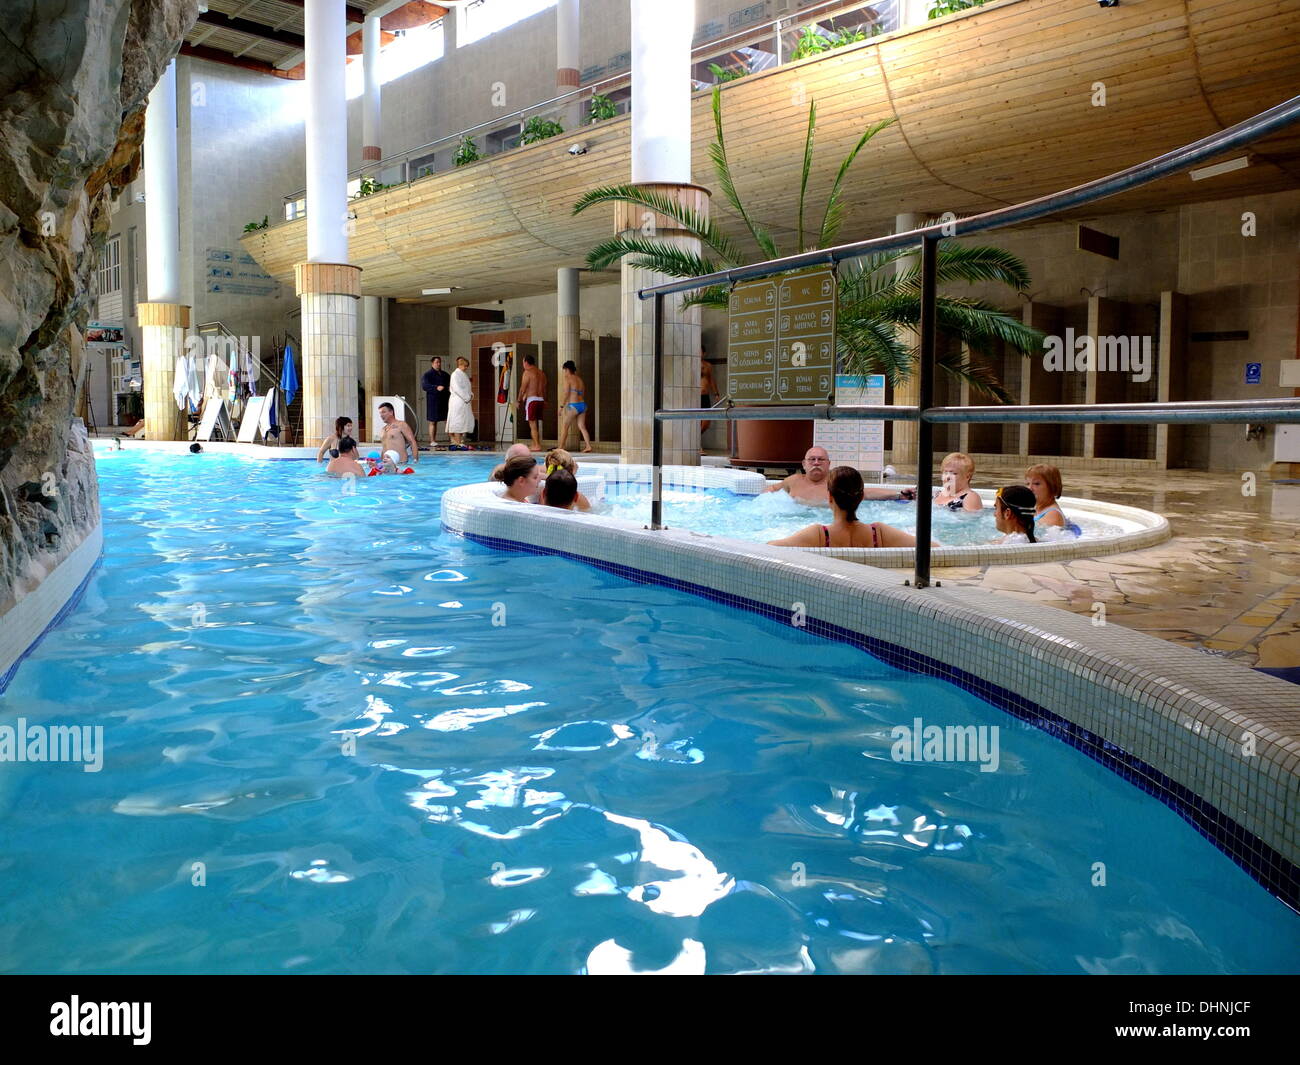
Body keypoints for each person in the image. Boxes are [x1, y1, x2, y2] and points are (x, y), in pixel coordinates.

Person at [768, 466, 932, 548]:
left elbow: (769, 548)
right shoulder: (879, 533)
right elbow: (934, 548)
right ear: (861, 497)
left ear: (830, 498)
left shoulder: (818, 534)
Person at [765, 446, 914, 505]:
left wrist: (898, 494)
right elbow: (771, 489)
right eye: (812, 459)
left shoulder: (837, 481)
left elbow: (866, 493)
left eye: (821, 459)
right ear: (804, 464)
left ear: (829, 464)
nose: (816, 463)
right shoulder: (793, 481)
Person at [1025, 463, 1081, 535]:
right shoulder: (1035, 507)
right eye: (1027, 483)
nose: (1029, 488)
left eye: (1036, 484)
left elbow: (1043, 540)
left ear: (1052, 487)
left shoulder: (1053, 514)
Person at [557, 360, 592, 453]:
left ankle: (561, 447)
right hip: (582, 405)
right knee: (582, 426)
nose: (564, 373)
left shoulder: (568, 379)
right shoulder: (580, 380)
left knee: (565, 426)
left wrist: (561, 407)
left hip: (573, 406)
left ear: (567, 369)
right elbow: (583, 394)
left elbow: (566, 393)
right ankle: (588, 446)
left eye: (565, 370)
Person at [518, 352, 547, 452]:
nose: (523, 364)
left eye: (523, 362)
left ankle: (537, 445)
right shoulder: (541, 373)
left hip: (532, 400)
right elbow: (544, 388)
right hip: (541, 400)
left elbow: (522, 388)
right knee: (535, 423)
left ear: (526, 362)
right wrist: (545, 400)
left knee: (532, 424)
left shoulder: (527, 372)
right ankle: (534, 444)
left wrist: (518, 400)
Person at [421, 356, 450, 447]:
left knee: (447, 420)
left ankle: (452, 439)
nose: (438, 364)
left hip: (444, 400)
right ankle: (432, 440)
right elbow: (425, 386)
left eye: (439, 362)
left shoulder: (445, 374)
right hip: (433, 401)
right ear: (432, 363)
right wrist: (436, 387)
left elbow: (450, 385)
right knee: (433, 421)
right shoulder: (427, 374)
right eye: (437, 362)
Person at [447, 356, 475, 448]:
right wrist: (467, 397)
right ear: (460, 365)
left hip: (465, 402)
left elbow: (467, 388)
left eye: (467, 366)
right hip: (458, 401)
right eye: (465, 366)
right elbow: (457, 389)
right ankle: (457, 441)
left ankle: (461, 440)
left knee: (464, 421)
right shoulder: (455, 375)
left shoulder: (464, 375)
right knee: (457, 421)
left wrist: (471, 395)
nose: (466, 368)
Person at [700, 352, 719, 434]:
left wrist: (716, 393)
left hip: (705, 396)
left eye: (700, 352)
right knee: (696, 419)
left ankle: (698, 436)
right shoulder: (692, 364)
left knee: (706, 421)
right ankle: (696, 439)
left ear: (704, 353)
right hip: (696, 397)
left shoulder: (708, 365)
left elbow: (711, 380)